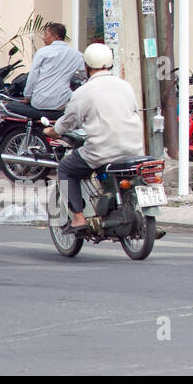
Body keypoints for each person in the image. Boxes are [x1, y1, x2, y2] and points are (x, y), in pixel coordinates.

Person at [44, 43, 144, 233]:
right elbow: (133, 111)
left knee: (65, 168)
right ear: (110, 63)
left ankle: (78, 219)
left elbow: (69, 122)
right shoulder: (126, 86)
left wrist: (52, 131)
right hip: (134, 148)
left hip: (102, 151)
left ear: (86, 66)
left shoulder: (83, 92)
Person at [23, 22, 86, 113]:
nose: (43, 38)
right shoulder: (77, 55)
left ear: (55, 36)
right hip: (61, 102)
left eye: (45, 35)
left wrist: (27, 96)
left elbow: (33, 76)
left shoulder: (42, 52)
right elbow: (86, 75)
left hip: (38, 101)